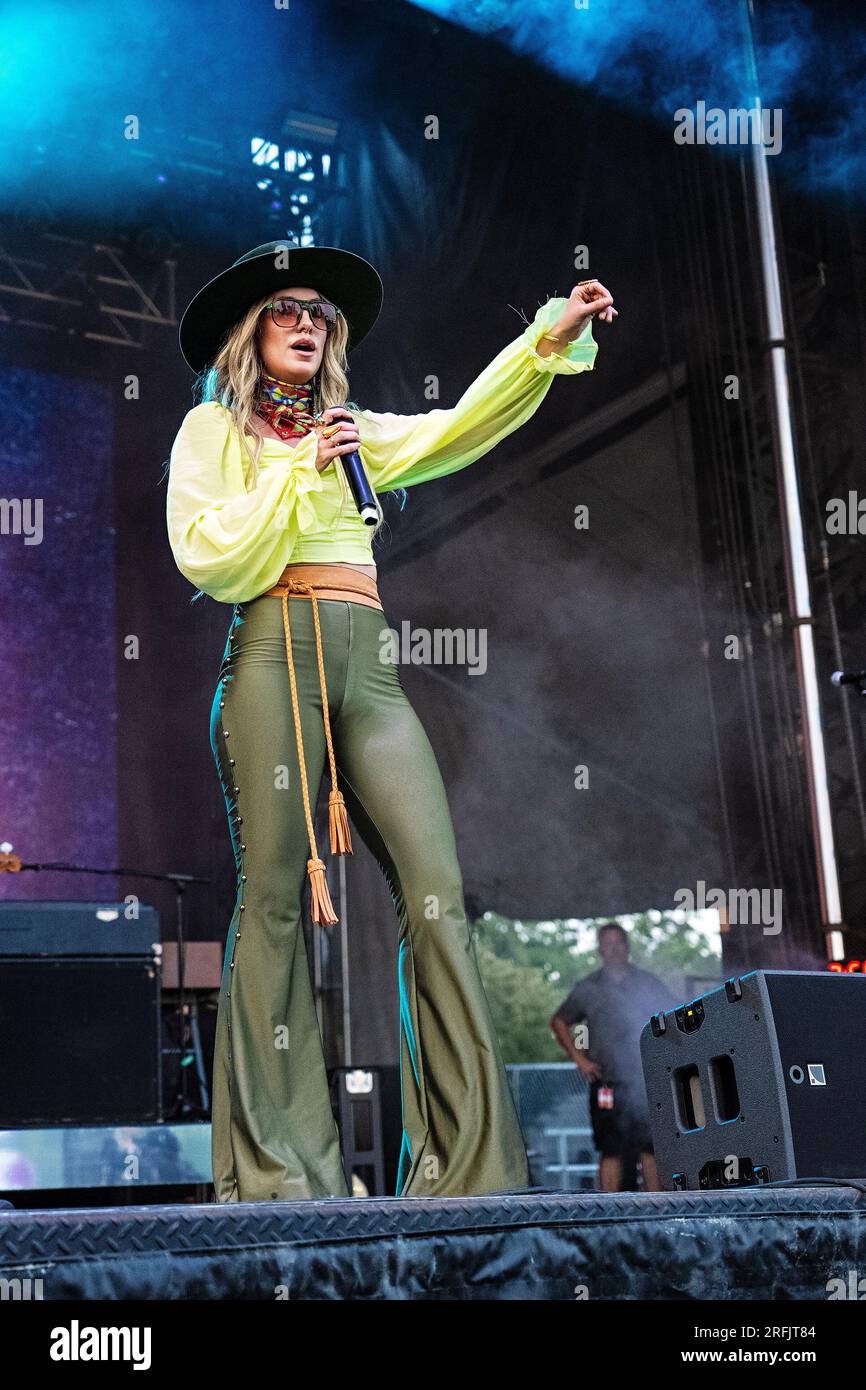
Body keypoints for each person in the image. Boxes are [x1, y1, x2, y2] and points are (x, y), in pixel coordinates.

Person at [166, 239, 617, 1203]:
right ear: (251, 333)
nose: (308, 324)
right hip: (273, 656)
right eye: (287, 309)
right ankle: (283, 1172)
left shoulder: (355, 428)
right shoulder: (212, 433)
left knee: (438, 895)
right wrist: (296, 476)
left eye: (322, 315)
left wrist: (552, 334)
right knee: (276, 902)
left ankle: (466, 1173)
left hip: (368, 669)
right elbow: (210, 554)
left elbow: (459, 425)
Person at [550, 921, 676, 1193]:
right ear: (599, 950)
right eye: (608, 944)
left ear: (627, 947)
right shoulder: (589, 987)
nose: (614, 949)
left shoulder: (647, 983)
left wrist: (666, 1060)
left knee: (651, 1147)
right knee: (610, 1149)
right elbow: (559, 1021)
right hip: (605, 1081)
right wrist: (579, 1058)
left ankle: (659, 1213)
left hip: (645, 1081)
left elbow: (674, 1015)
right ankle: (609, 1213)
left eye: (619, 942)